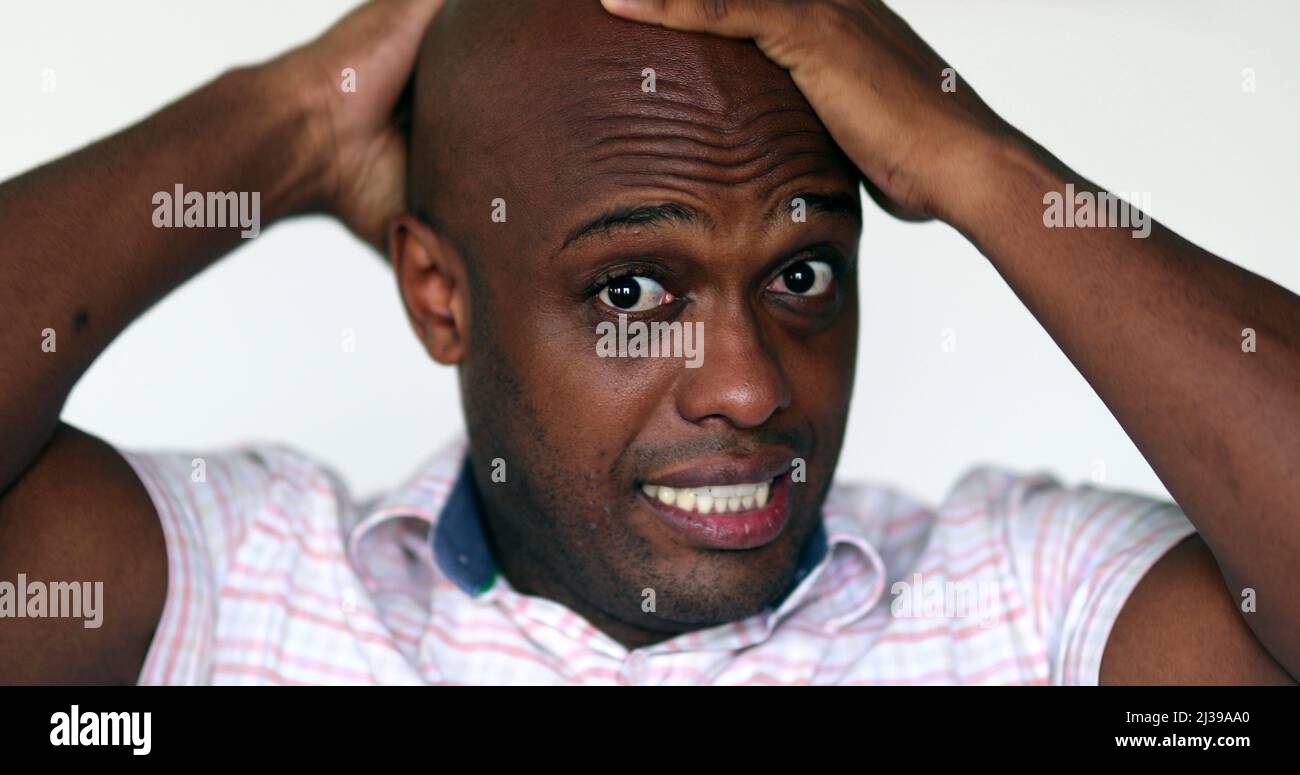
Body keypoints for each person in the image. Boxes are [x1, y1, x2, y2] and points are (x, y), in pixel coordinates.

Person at [0, 0, 1295, 685]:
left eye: (802, 270)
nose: (749, 384)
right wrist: (286, 120)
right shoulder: (230, 595)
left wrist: (974, 158)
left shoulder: (1024, 607)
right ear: (440, 296)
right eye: (631, 290)